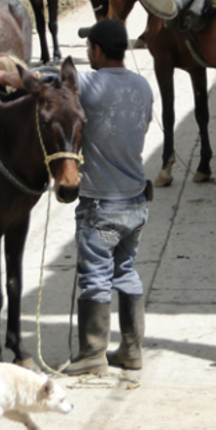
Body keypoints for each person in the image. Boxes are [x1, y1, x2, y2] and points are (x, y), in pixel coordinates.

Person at [65, 19, 153, 375]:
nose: (88, 53)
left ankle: (92, 354)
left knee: (95, 276)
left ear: (98, 50)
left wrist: (8, 75)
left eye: (89, 47)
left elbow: (43, 83)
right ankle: (131, 350)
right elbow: (143, 127)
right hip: (137, 201)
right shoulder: (143, 86)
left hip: (101, 206)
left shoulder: (88, 84)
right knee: (125, 270)